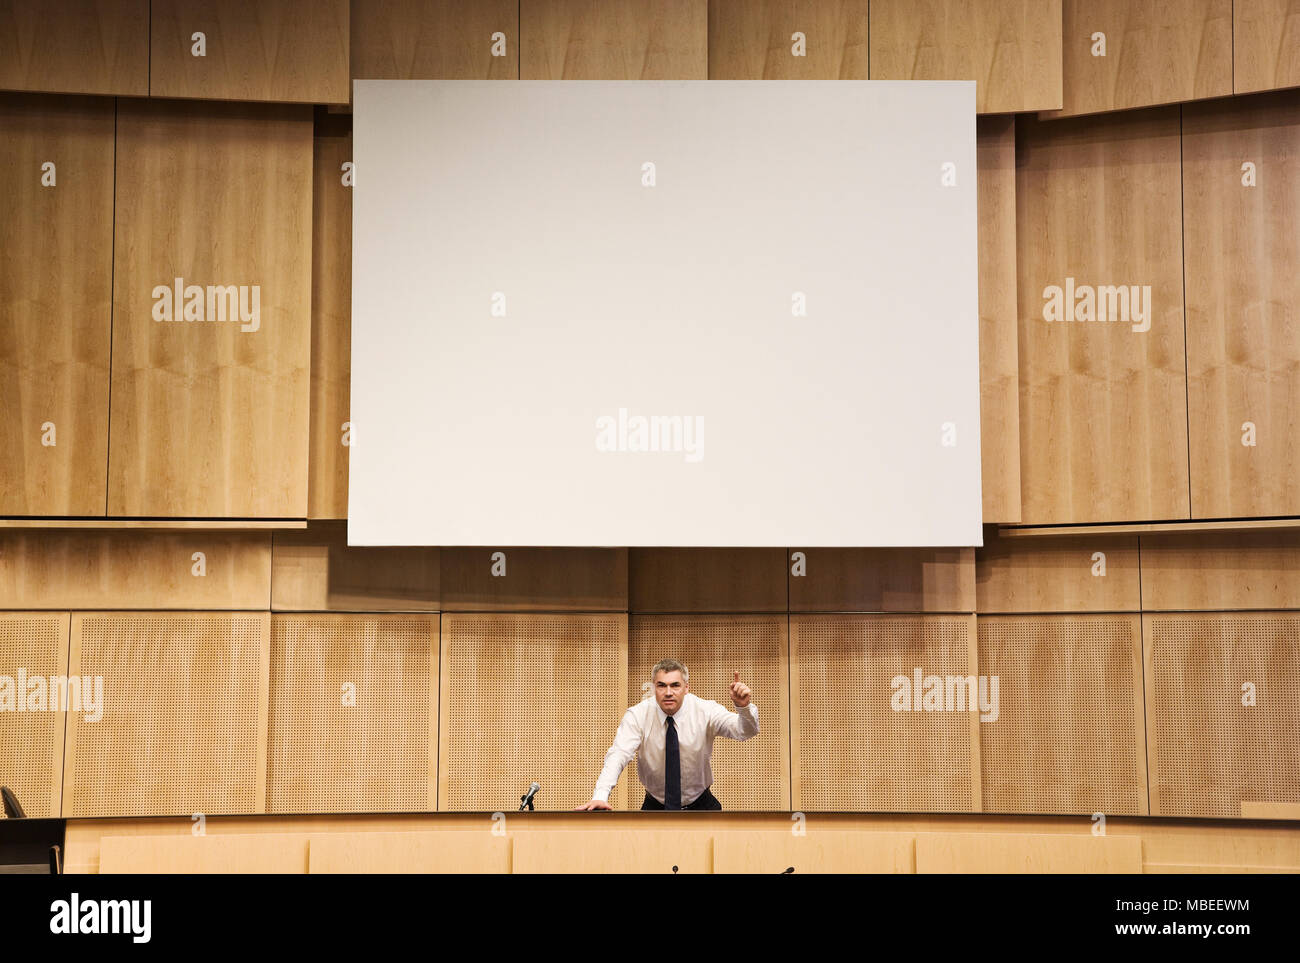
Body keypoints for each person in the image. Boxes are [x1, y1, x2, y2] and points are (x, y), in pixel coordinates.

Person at [575, 658, 758, 811]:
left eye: (675, 685)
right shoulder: (638, 715)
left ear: (687, 688)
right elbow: (619, 755)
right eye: (662, 686)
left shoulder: (705, 710)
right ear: (654, 688)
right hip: (655, 805)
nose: (668, 693)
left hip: (701, 804)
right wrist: (600, 795)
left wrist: (743, 708)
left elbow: (744, 731)